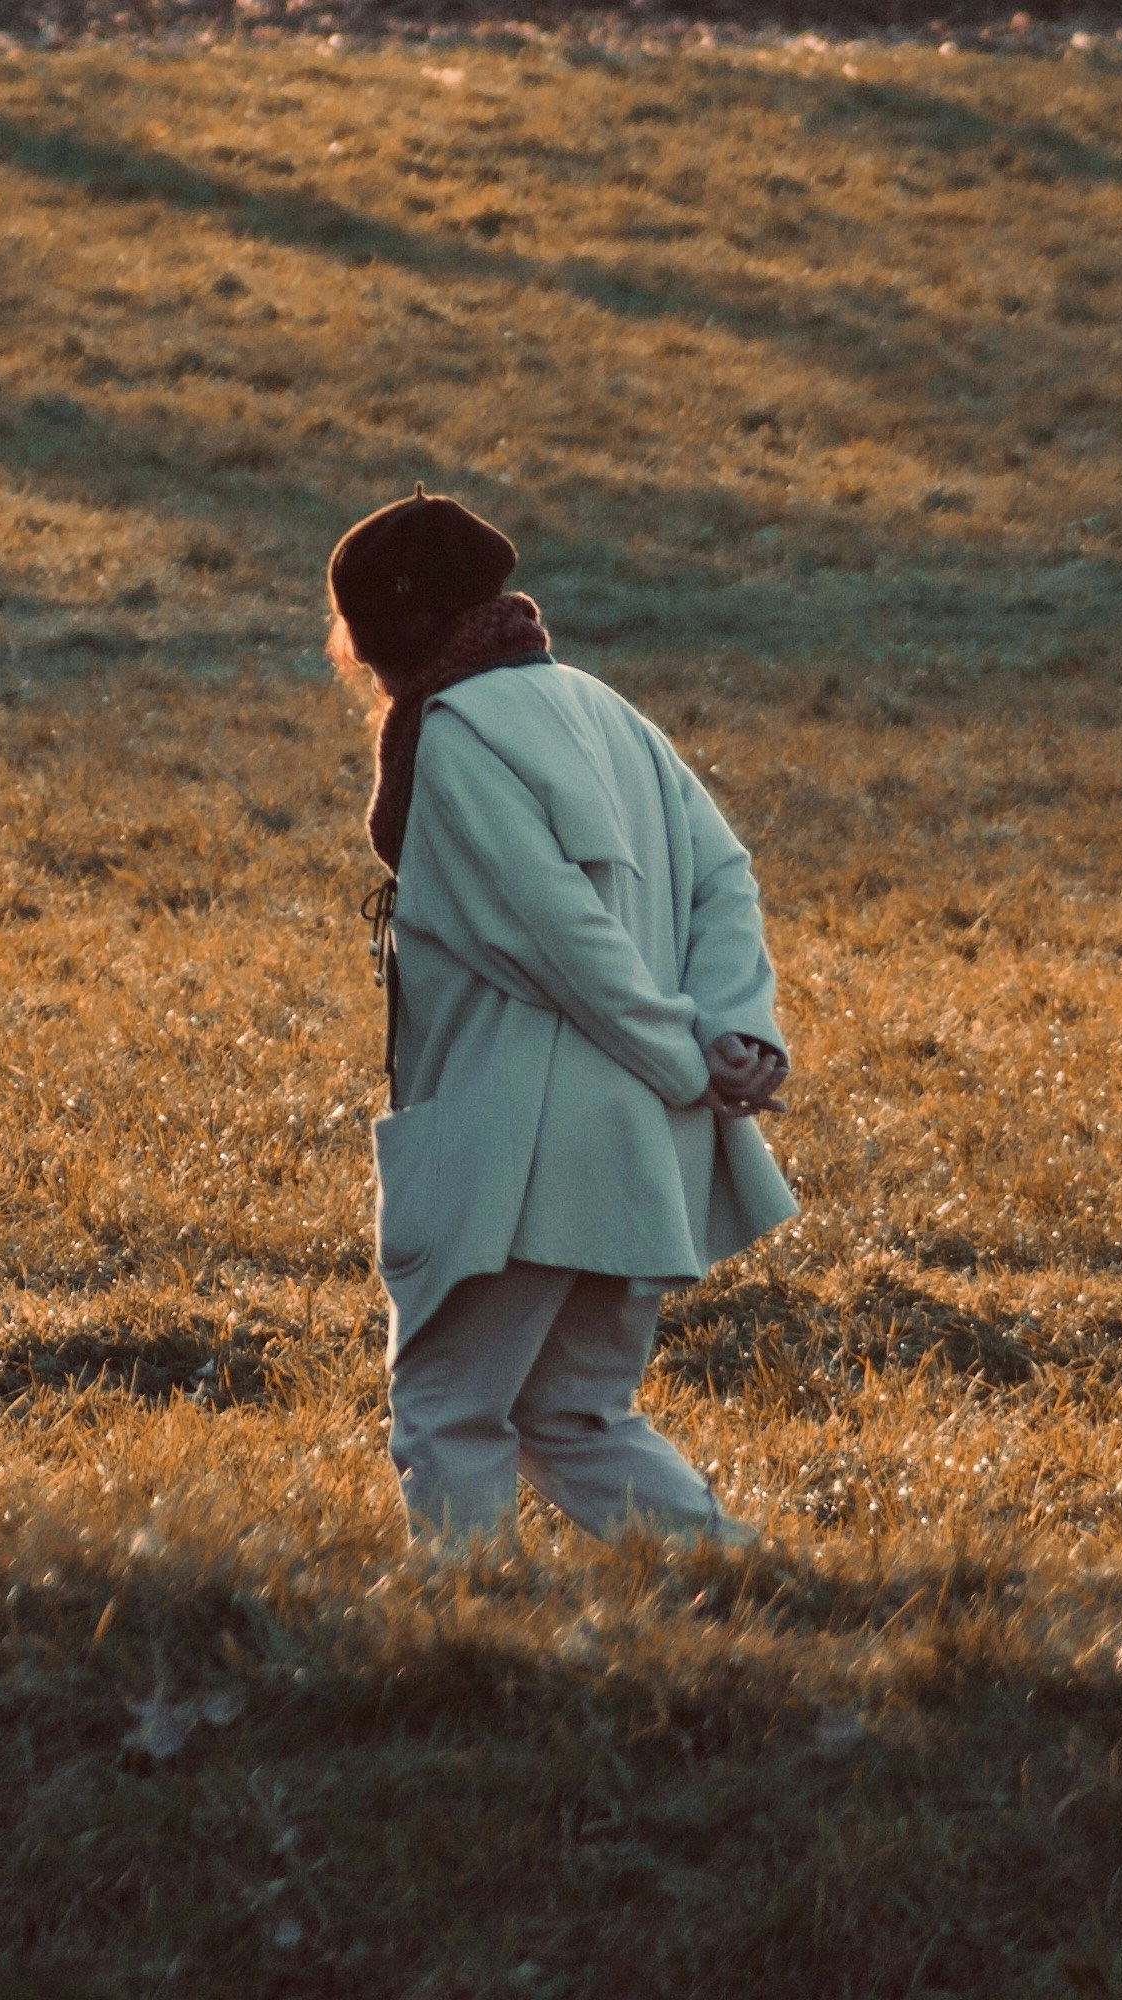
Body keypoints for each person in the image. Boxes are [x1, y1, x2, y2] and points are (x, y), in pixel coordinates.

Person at [329, 493, 796, 1552]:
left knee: (449, 1407)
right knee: (574, 1416)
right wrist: (733, 1029)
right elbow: (727, 877)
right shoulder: (607, 709)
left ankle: (467, 1631)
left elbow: (552, 936)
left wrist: (690, 1051)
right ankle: (749, 1581)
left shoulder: (453, 734)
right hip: (642, 1147)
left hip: (524, 1146)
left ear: (384, 635)